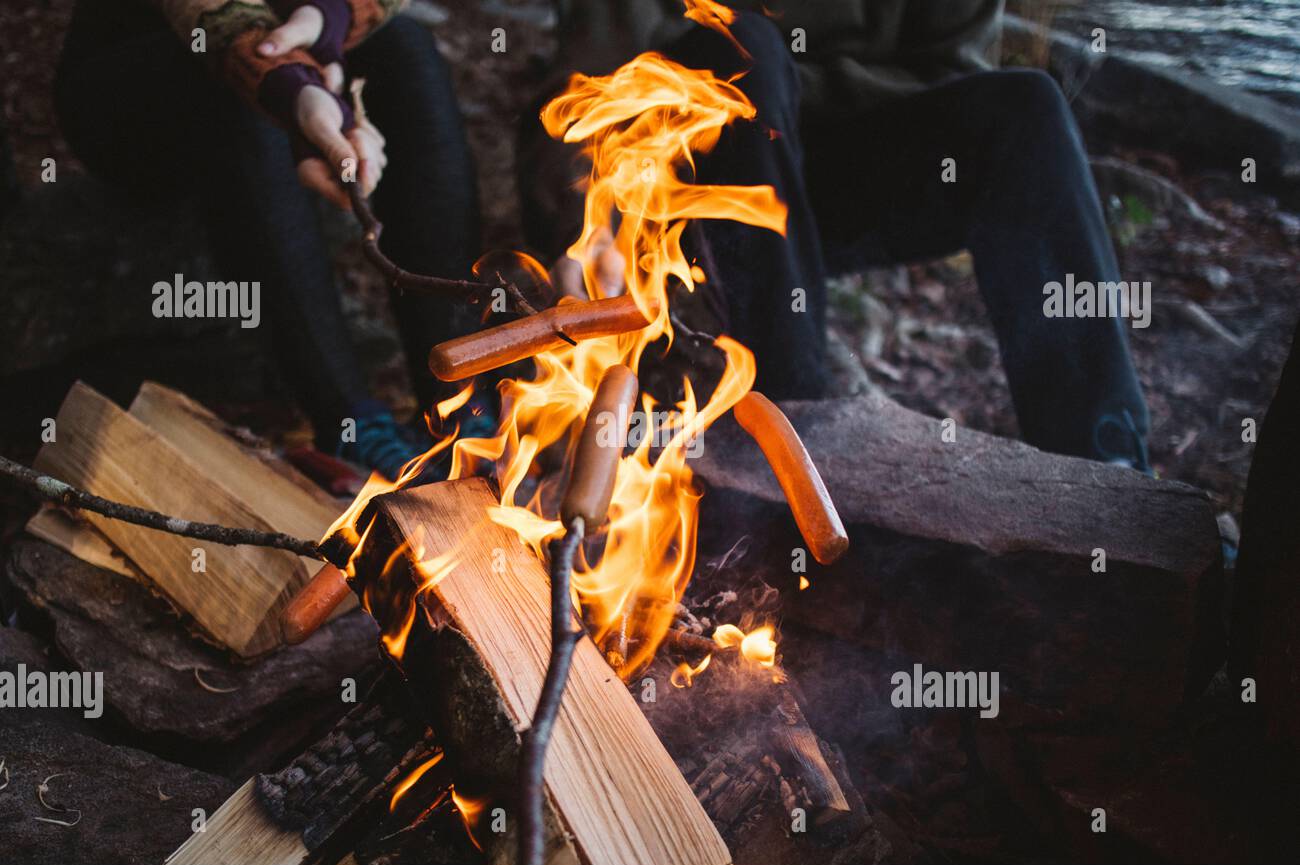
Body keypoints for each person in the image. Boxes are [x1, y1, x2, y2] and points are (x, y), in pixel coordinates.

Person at [520, 0, 1151, 467]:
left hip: (846, 170)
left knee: (1028, 107)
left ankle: (1106, 464)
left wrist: (797, 91)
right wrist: (583, 228)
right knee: (741, 46)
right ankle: (798, 443)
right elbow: (583, 88)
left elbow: (951, 81)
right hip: (686, 176)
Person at [55, 0, 489, 480]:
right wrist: (292, 85)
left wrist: (332, 17)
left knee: (407, 46)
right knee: (234, 95)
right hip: (138, 86)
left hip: (292, 47)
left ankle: (459, 397)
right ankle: (350, 426)